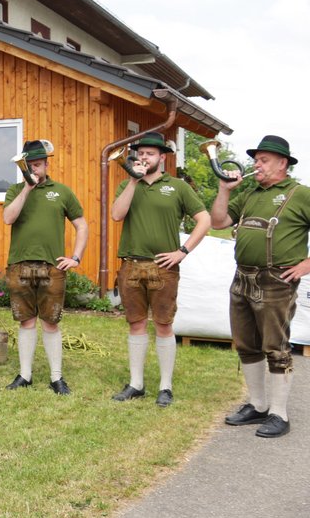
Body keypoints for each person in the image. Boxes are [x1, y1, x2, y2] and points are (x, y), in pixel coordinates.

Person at [210, 135, 310, 438]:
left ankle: (280, 414)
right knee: (245, 343)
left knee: (275, 347)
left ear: (283, 164)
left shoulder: (300, 194)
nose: (257, 164)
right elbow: (217, 221)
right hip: (242, 277)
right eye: (256, 159)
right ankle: (258, 404)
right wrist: (224, 189)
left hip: (276, 281)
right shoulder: (250, 194)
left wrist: (307, 264)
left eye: (264, 160)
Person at [109, 132, 211, 407]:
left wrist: (183, 251)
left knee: (164, 325)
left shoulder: (177, 186)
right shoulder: (127, 184)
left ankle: (165, 387)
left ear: (162, 158)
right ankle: (136, 384)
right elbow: (117, 215)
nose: (144, 157)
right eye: (141, 153)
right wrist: (133, 178)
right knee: (136, 324)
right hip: (130, 265)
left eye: (150, 153)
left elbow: (205, 219)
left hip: (163, 268)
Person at [2, 139, 88, 395]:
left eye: (38, 165)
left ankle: (56, 378)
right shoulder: (14, 190)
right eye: (29, 166)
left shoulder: (61, 192)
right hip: (20, 265)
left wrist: (76, 257)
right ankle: (25, 375)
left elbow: (81, 225)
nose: (34, 169)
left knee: (51, 322)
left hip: (52, 267)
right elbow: (8, 218)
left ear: (46, 164)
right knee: (26, 321)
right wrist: (27, 188)